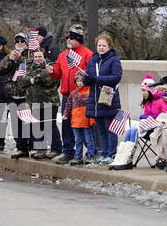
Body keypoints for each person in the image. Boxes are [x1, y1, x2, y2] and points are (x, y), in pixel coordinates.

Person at [50, 31, 92, 164]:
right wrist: (52, 71)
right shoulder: (63, 55)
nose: (68, 40)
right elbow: (57, 73)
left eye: (71, 38)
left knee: (85, 125)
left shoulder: (87, 54)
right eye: (67, 37)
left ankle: (90, 152)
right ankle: (68, 151)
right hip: (67, 95)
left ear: (78, 40)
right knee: (67, 124)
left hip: (83, 97)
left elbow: (90, 73)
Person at [83, 34, 123, 165]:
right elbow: (87, 78)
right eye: (99, 45)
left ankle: (111, 154)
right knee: (101, 130)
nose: (101, 48)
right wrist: (86, 79)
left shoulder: (114, 60)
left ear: (109, 47)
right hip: (95, 100)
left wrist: (98, 79)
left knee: (110, 128)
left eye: (104, 46)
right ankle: (104, 153)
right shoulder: (93, 60)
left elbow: (116, 77)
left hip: (108, 99)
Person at [18, 45, 59, 159]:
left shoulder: (50, 65)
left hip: (49, 101)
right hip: (33, 102)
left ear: (43, 56)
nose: (37, 58)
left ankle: (56, 148)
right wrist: (29, 80)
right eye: (35, 56)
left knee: (50, 125)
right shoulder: (28, 66)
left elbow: (49, 79)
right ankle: (41, 149)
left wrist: (32, 79)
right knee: (38, 126)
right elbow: (21, 81)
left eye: (40, 56)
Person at [0, 34, 32, 158]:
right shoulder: (10, 55)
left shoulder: (31, 55)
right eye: (16, 40)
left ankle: (31, 148)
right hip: (12, 95)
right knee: (16, 124)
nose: (19, 43)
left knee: (27, 123)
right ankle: (21, 148)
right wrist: (10, 59)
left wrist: (21, 59)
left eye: (22, 41)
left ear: (26, 43)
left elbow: (35, 68)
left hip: (26, 95)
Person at [68, 71, 96, 164]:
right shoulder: (72, 93)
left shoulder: (90, 92)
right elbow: (68, 105)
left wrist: (92, 119)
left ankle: (91, 155)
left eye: (81, 80)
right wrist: (65, 114)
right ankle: (78, 156)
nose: (79, 82)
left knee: (89, 140)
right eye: (77, 81)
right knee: (78, 141)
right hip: (75, 122)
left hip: (86, 121)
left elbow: (92, 107)